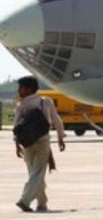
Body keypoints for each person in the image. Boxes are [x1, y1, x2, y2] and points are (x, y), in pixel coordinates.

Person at [13, 76, 65, 212]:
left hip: (27, 143)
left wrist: (17, 144)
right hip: (42, 141)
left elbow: (16, 126)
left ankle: (40, 203)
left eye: (21, 88)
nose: (19, 91)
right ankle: (28, 201)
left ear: (28, 89)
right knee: (37, 174)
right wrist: (60, 137)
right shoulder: (45, 101)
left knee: (34, 173)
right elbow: (56, 119)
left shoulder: (21, 105)